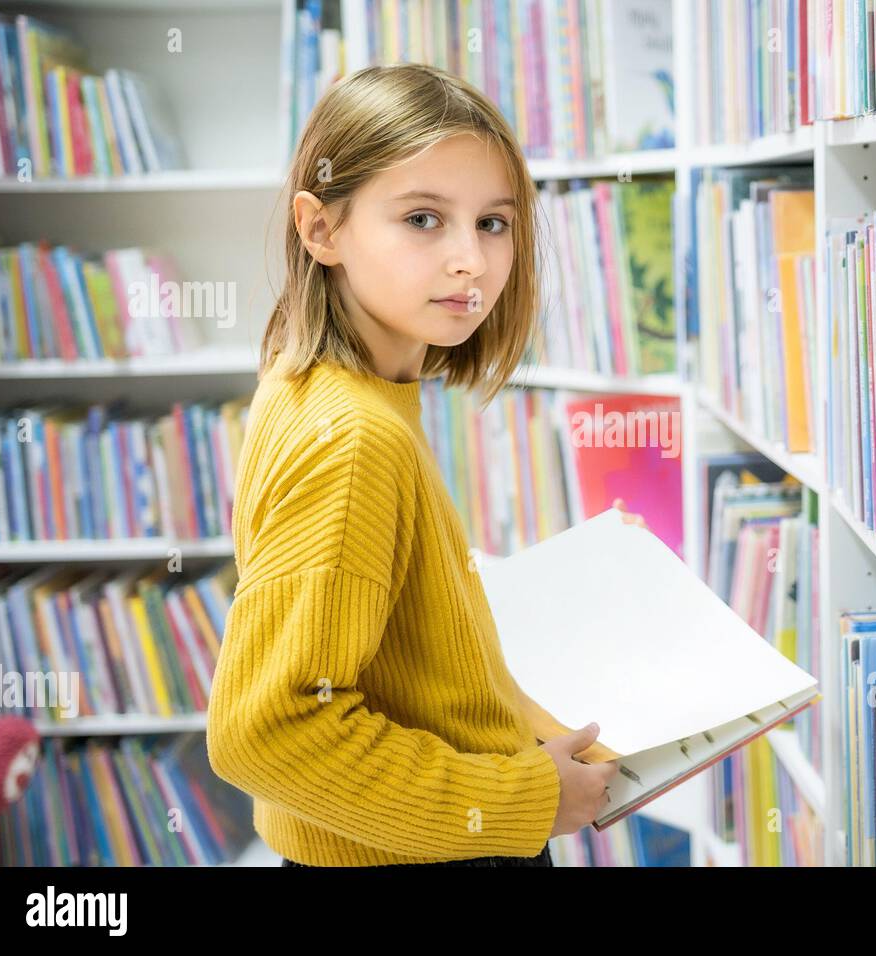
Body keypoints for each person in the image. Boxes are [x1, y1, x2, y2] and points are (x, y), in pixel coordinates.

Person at [205, 63, 642, 868]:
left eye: (493, 224)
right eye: (422, 219)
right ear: (320, 229)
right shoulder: (354, 437)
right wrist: (529, 799)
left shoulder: (329, 385)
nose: (470, 261)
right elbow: (265, 731)